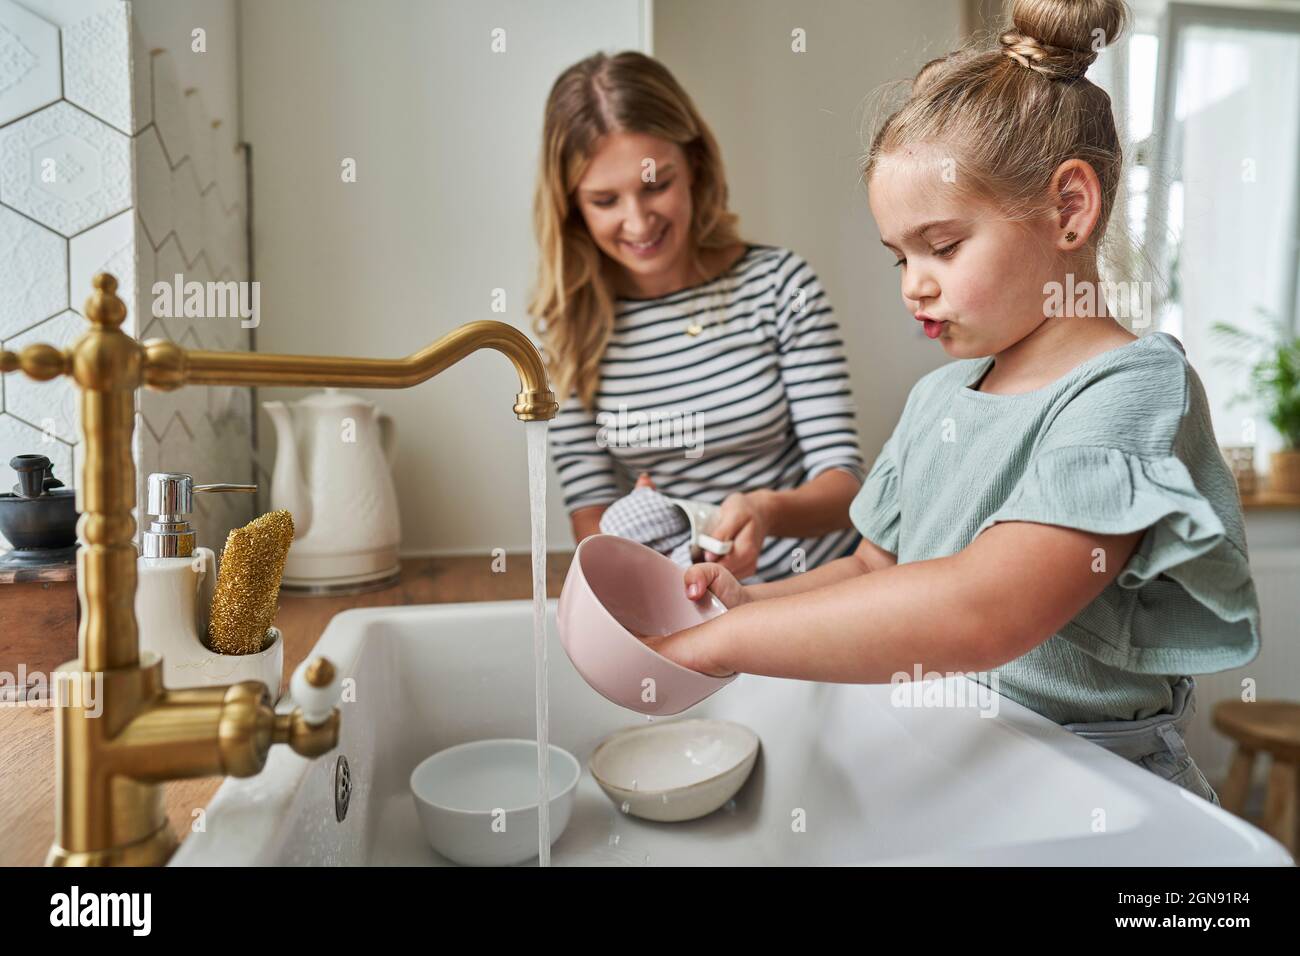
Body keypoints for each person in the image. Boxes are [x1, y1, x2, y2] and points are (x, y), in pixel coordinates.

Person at [644, 0, 1261, 805]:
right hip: (959, 766)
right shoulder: (940, 394)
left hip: (1094, 796)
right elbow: (874, 568)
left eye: (942, 246)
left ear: (1069, 209)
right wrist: (749, 601)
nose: (914, 286)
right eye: (898, 257)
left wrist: (728, 646)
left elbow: (984, 610)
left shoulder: (1134, 388)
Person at [530, 51, 866, 583]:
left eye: (656, 185)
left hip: (818, 586)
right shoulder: (569, 331)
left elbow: (844, 486)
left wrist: (763, 510)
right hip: (686, 597)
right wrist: (624, 531)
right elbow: (590, 515)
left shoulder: (779, 286)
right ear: (572, 206)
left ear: (695, 166)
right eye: (604, 200)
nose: (638, 222)